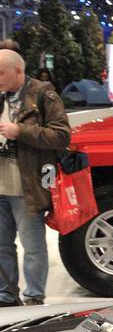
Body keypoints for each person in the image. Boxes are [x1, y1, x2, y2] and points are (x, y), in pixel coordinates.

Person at [0, 50, 71, 306]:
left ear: (18, 70)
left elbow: (62, 136)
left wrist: (20, 131)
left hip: (27, 186)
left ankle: (33, 297)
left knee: (33, 247)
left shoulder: (43, 95)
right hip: (1, 186)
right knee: (2, 246)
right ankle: (6, 296)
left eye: (1, 72)